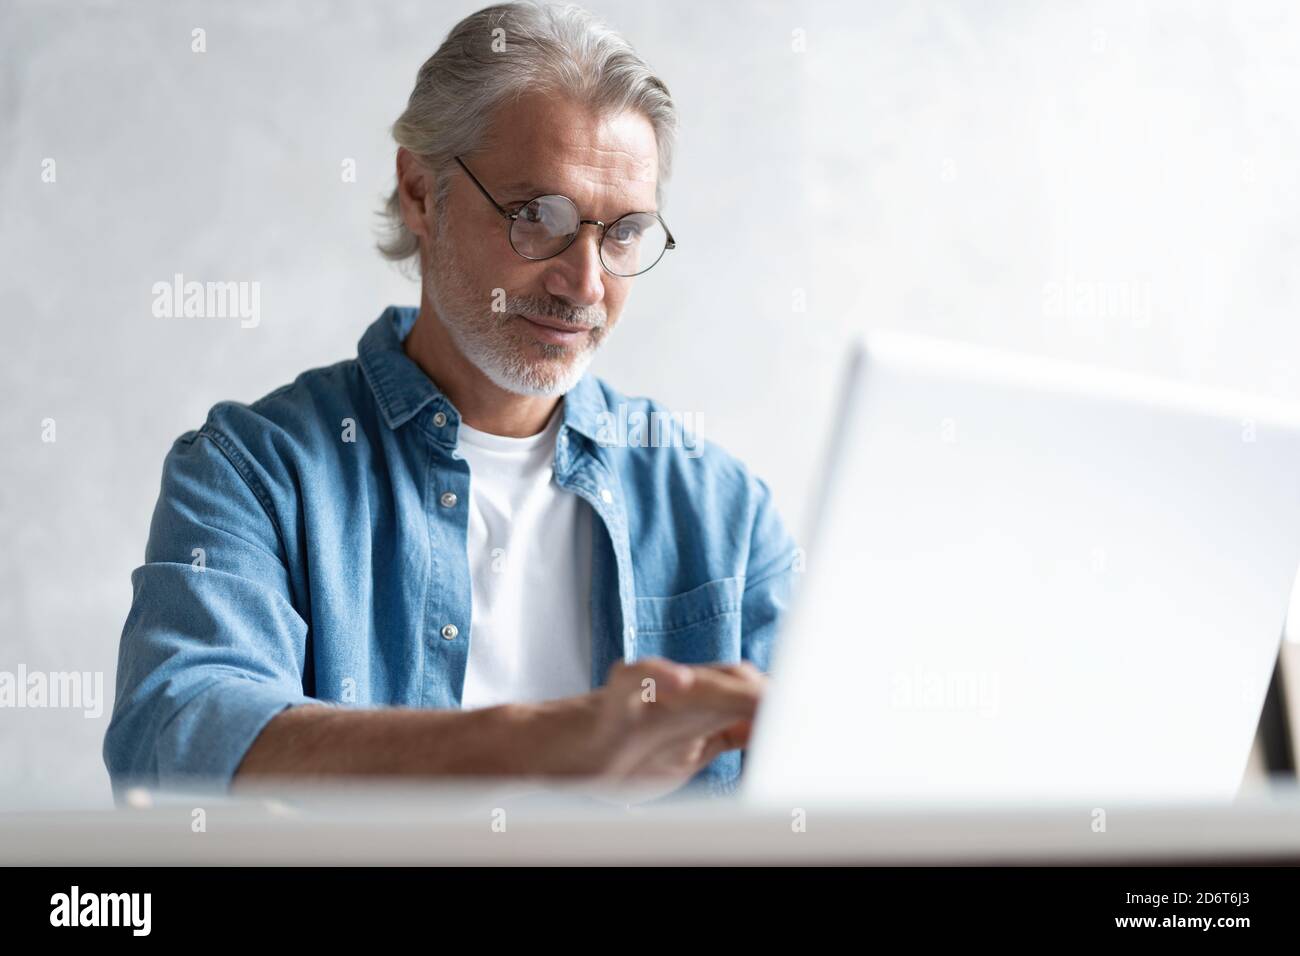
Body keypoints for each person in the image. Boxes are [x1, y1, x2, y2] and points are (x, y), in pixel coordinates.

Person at [103, 1, 798, 804]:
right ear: (420, 192)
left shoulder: (724, 511)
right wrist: (538, 741)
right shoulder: (254, 474)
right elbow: (174, 736)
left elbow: (846, 788)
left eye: (623, 233)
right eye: (539, 216)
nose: (586, 283)